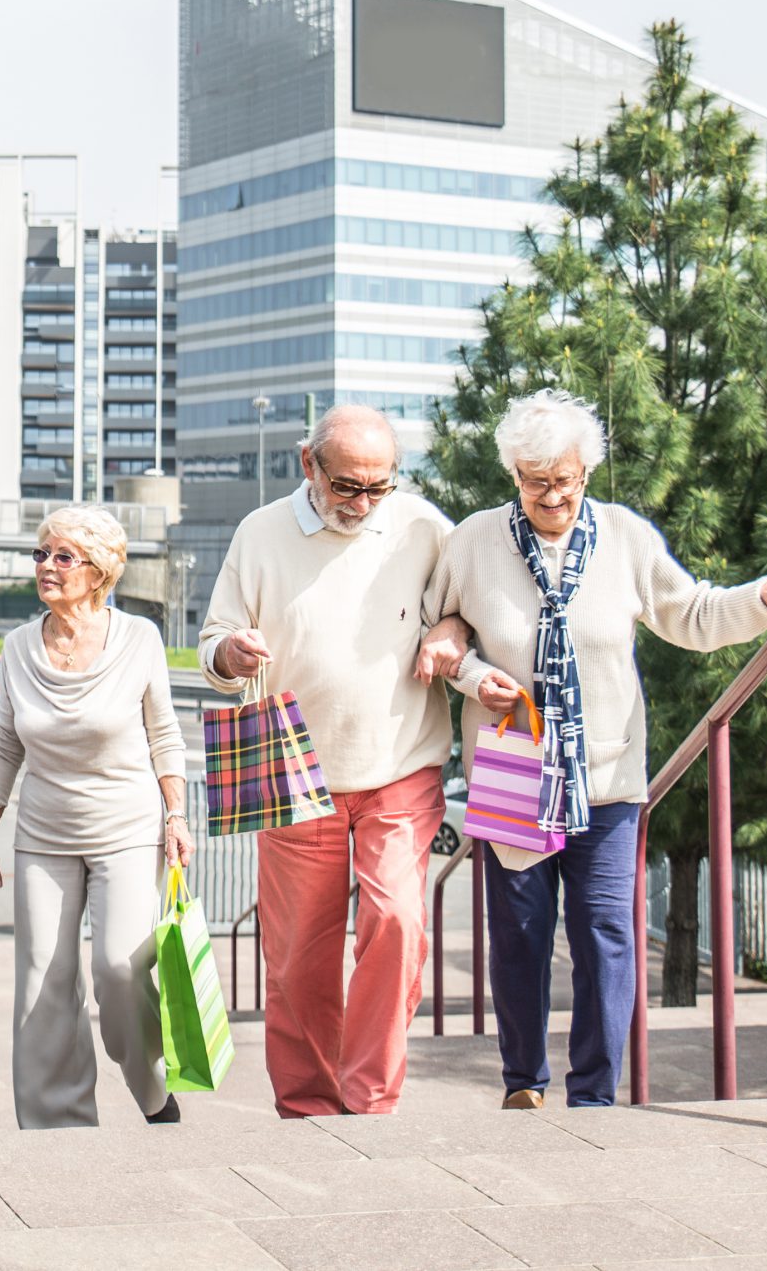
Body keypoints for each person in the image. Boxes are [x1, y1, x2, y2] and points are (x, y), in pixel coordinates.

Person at [424, 389, 767, 1110]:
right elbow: (439, 630)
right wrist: (478, 677)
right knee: (519, 934)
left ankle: (595, 1091)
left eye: (565, 479)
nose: (553, 494)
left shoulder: (624, 537)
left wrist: (761, 599)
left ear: (586, 472)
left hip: (605, 776)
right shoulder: (475, 542)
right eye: (536, 480)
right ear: (514, 473)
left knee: (607, 934)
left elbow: (689, 612)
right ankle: (523, 1081)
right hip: (515, 767)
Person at [197, 405, 470, 1117]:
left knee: (399, 918)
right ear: (307, 463)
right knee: (295, 958)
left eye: (379, 486)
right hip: (291, 762)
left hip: (399, 763)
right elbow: (215, 641)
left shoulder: (421, 526)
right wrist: (229, 653)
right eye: (349, 485)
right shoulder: (261, 532)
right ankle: (311, 1107)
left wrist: (447, 630)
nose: (363, 502)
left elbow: (463, 607)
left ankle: (370, 1094)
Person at [0, 505, 192, 1130]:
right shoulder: (17, 646)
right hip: (43, 833)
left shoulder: (139, 638)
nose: (46, 566)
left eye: (62, 557)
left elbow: (164, 735)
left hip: (127, 828)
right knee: (44, 978)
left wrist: (176, 815)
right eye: (40, 554)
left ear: (99, 572)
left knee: (120, 968)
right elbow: (4, 742)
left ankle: (152, 1090)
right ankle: (57, 1127)